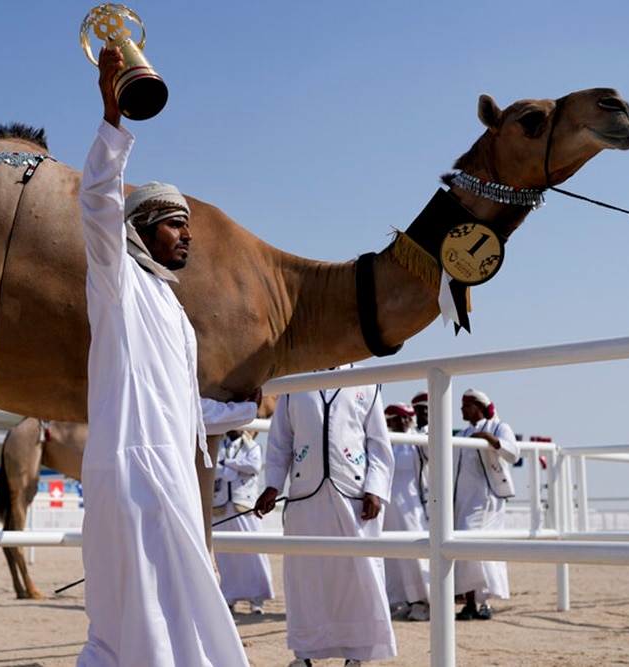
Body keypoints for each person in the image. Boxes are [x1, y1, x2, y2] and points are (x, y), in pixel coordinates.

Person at [76, 46, 259, 667]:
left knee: (171, 623)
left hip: (172, 479)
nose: (188, 235)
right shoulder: (117, 279)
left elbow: (182, 411)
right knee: (133, 625)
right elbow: (98, 204)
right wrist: (112, 120)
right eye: (176, 224)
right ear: (145, 226)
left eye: (188, 224)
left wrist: (242, 411)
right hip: (130, 476)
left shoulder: (171, 309)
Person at [255, 375, 397, 667]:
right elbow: (280, 442)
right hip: (305, 496)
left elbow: (379, 445)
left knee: (357, 576)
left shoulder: (367, 382)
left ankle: (356, 654)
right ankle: (305, 654)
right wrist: (272, 485)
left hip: (354, 497)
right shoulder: (294, 385)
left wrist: (375, 489)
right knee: (306, 576)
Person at [453, 388, 520, 620]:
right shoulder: (461, 434)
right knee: (463, 550)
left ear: (479, 406)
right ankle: (470, 603)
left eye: (466, 405)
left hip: (487, 501)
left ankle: (485, 603)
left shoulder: (499, 427)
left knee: (485, 550)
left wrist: (488, 439)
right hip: (463, 501)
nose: (462, 410)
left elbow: (513, 453)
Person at [213, 429, 275, 615]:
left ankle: (257, 598)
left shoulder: (253, 446)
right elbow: (213, 468)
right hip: (221, 505)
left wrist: (228, 464)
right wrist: (233, 468)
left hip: (244, 504)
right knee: (224, 555)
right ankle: (228, 596)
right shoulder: (217, 447)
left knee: (253, 552)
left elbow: (253, 465)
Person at [381, 403, 430, 622]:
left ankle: (424, 602)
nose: (402, 422)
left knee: (415, 556)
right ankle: (403, 600)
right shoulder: (385, 441)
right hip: (389, 510)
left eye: (406, 418)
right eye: (397, 418)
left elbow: (432, 453)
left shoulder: (417, 440)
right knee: (393, 557)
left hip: (411, 508)